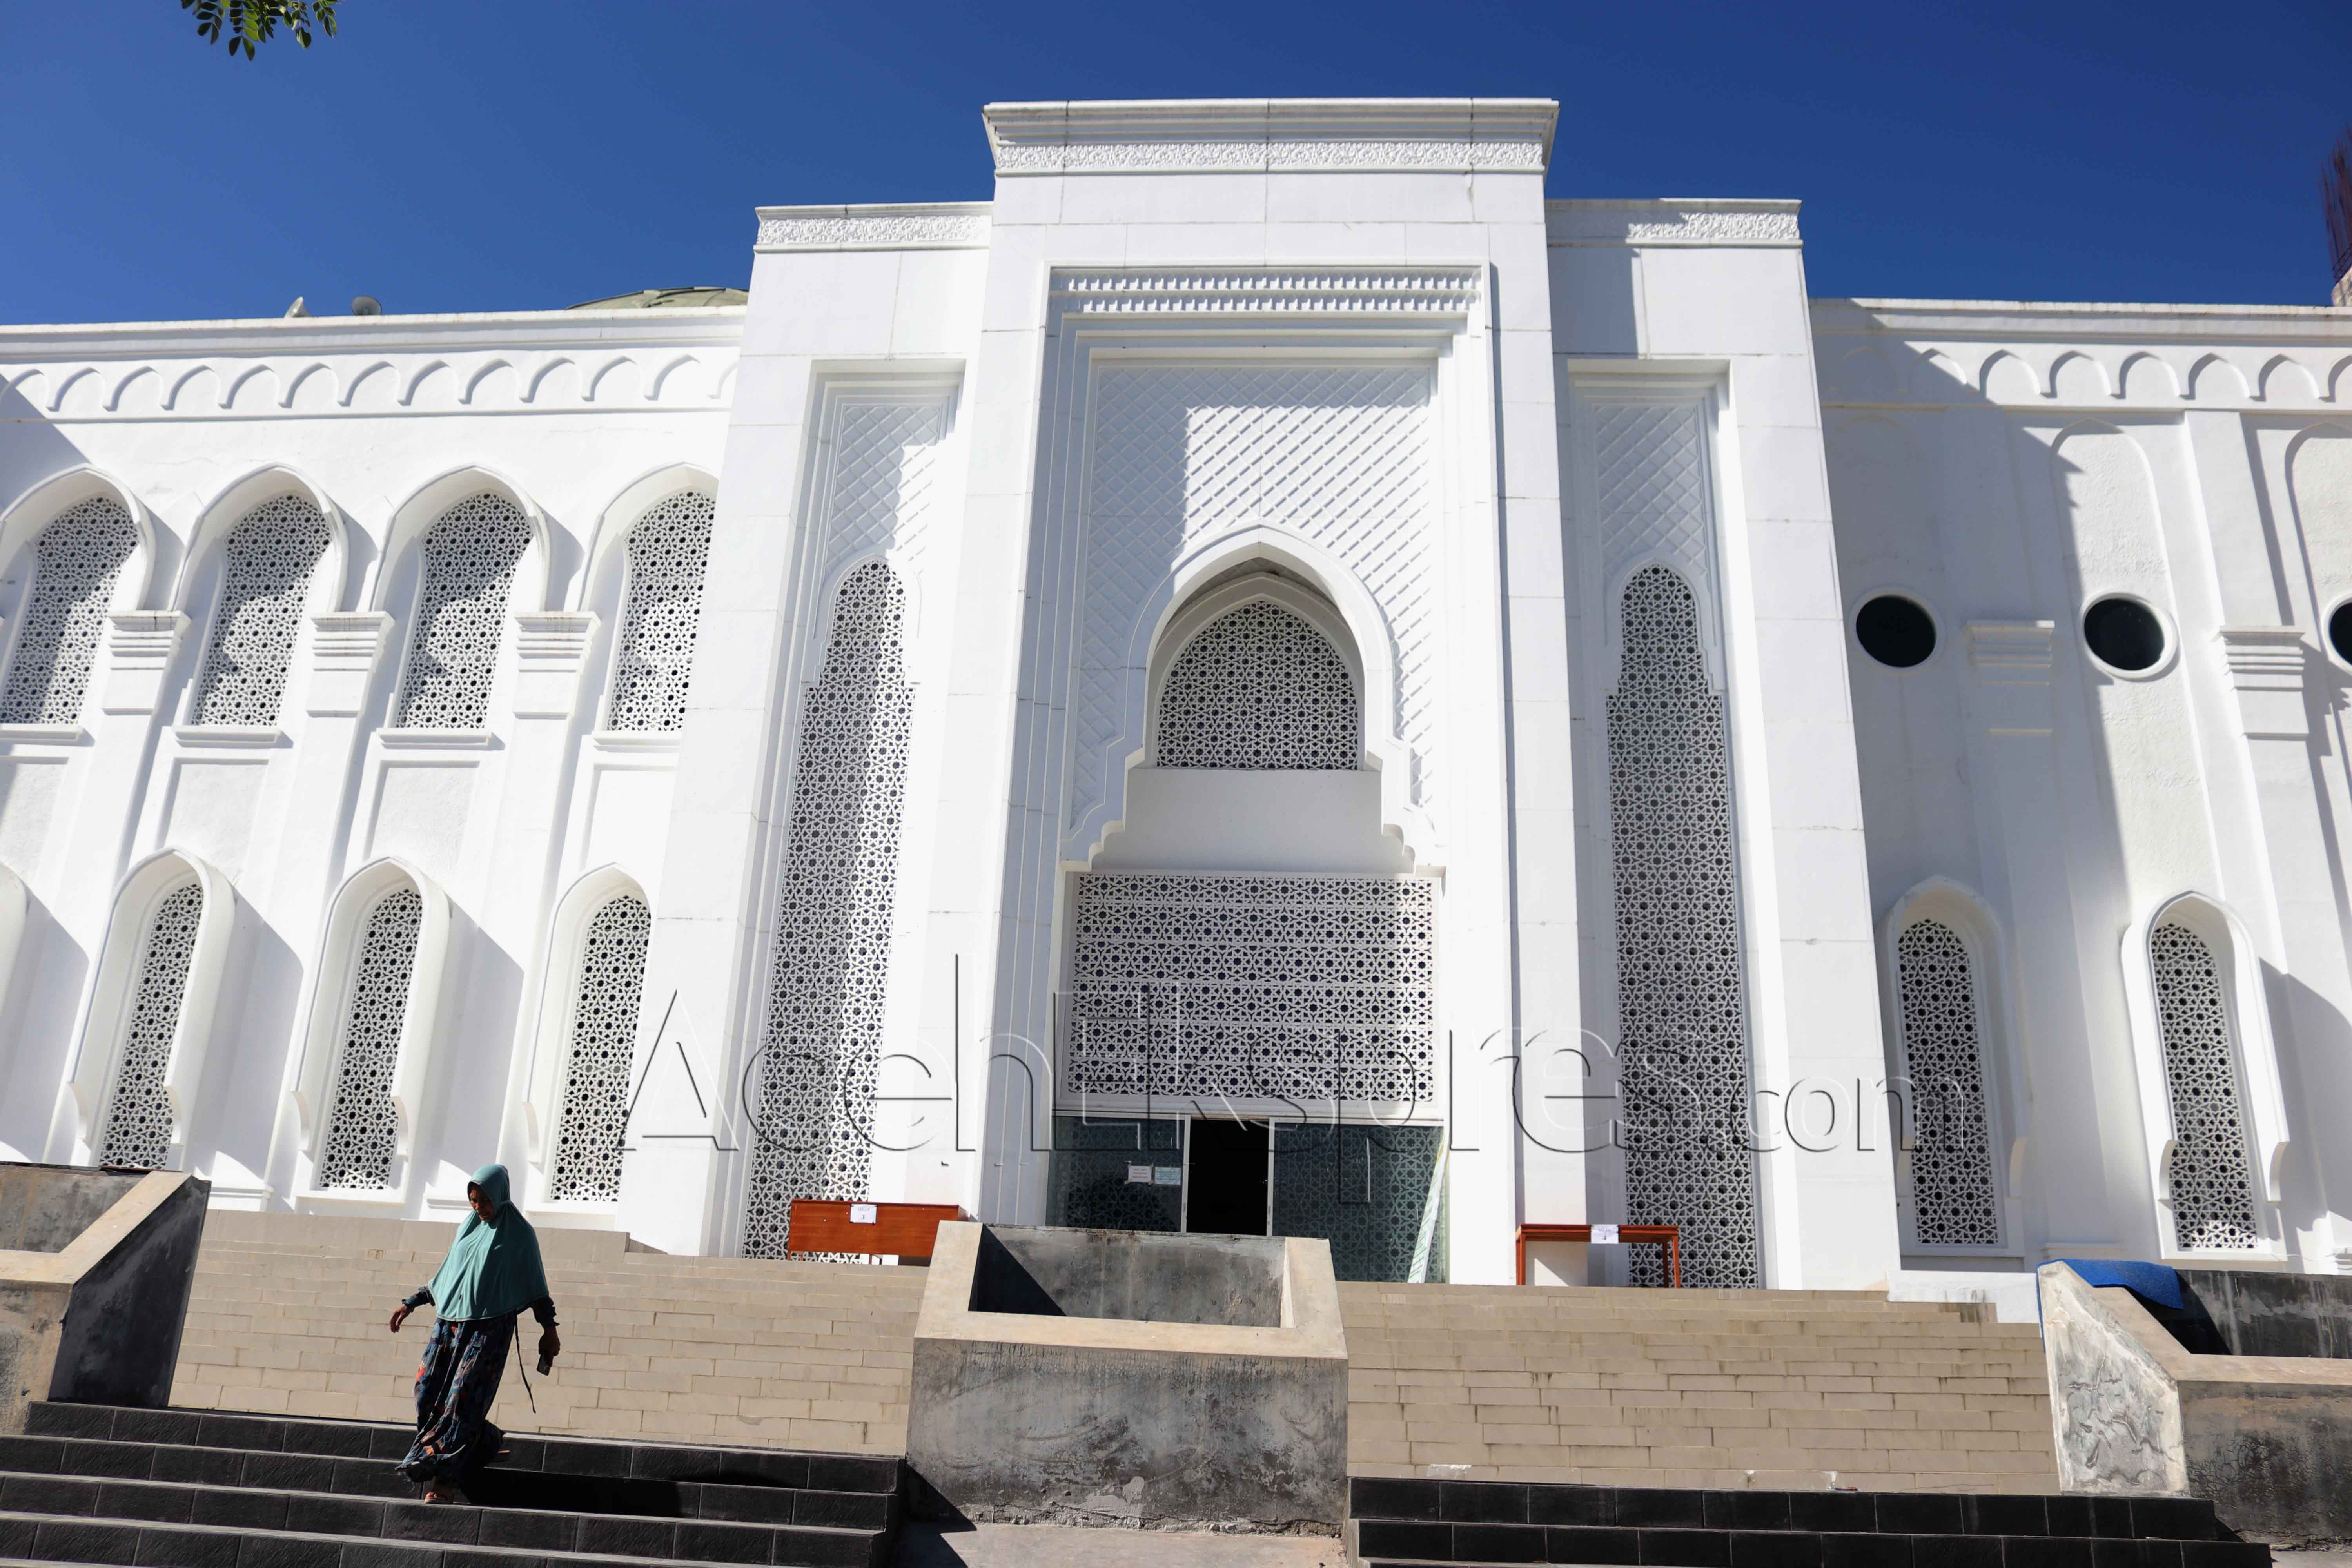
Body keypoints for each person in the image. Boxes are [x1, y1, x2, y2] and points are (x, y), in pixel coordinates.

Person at [386, 1163, 559, 1503]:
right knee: (425, 1392)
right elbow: (447, 1275)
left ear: (500, 1195)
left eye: (484, 1200)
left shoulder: (519, 1234)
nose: (479, 1207)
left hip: (489, 1330)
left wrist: (549, 1330)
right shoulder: (468, 1228)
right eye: (474, 1201)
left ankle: (443, 1481)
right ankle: (485, 1441)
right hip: (449, 1325)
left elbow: (536, 1286)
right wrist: (411, 1304)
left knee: (462, 1399)